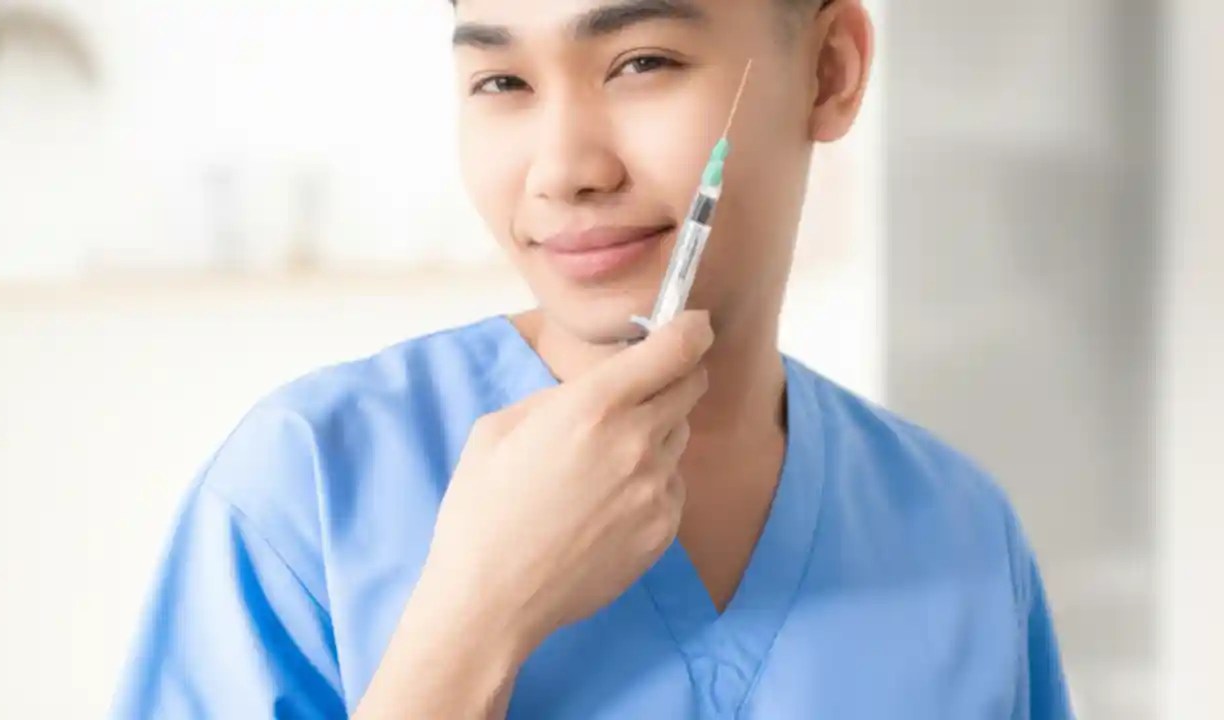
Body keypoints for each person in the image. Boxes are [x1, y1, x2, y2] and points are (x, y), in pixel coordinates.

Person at [112, 0, 1074, 718]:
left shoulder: (961, 536)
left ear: (829, 71)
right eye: (503, 84)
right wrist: (473, 624)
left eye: (641, 62)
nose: (564, 166)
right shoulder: (307, 489)